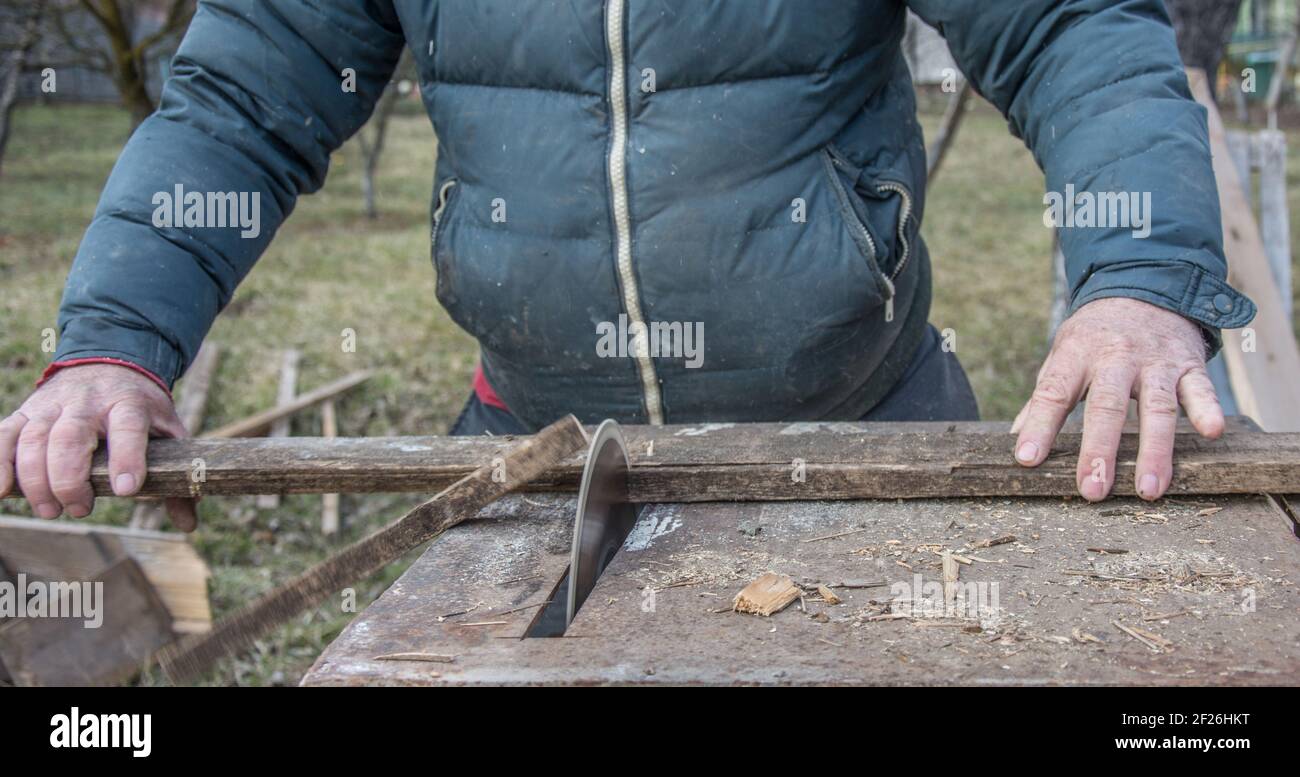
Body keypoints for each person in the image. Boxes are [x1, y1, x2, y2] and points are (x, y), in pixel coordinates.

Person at [0, 1, 1256, 531]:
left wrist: (1141, 278)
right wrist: (114, 341)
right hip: (533, 443)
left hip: (867, 429)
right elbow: (239, 106)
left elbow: (1071, 26)